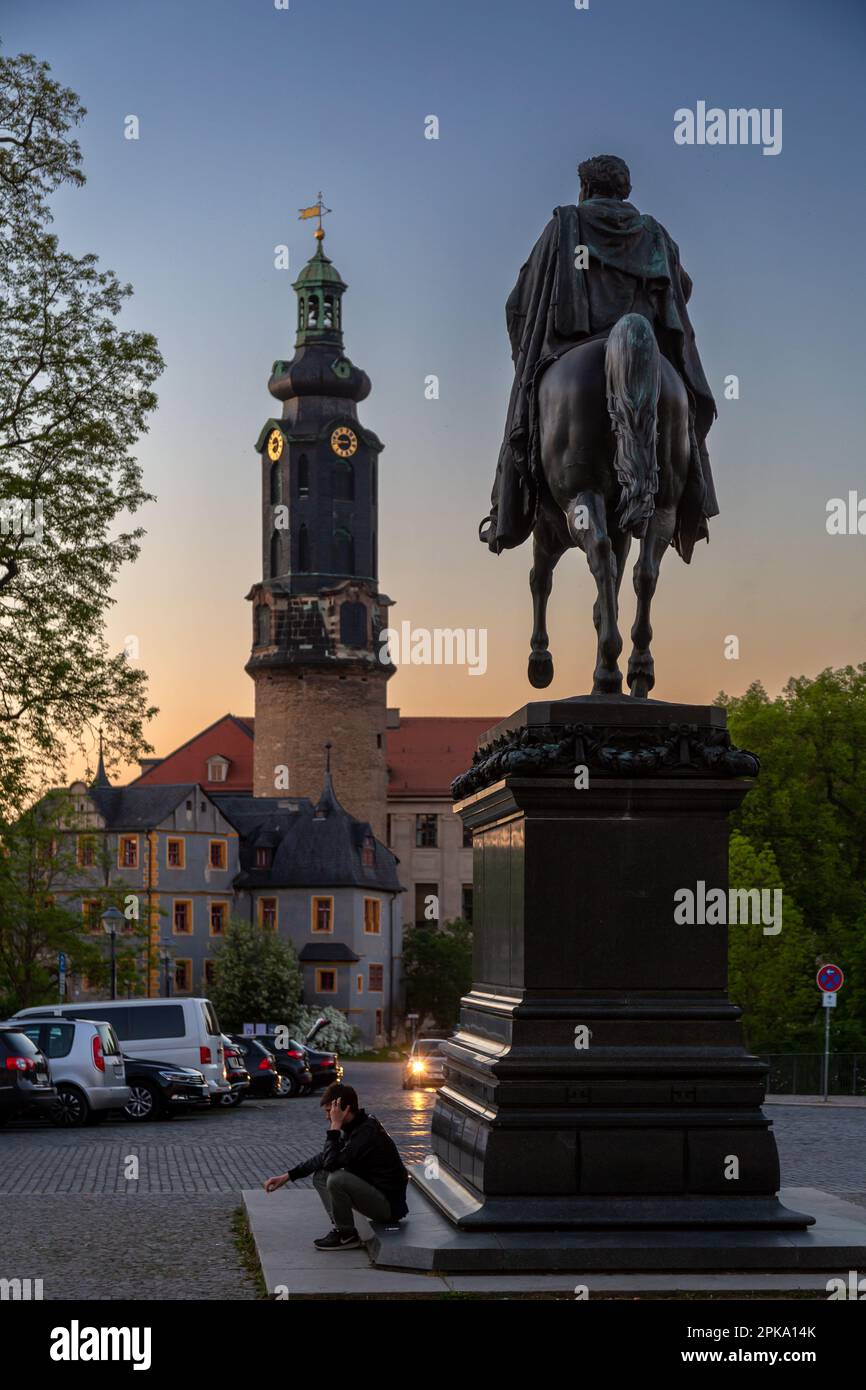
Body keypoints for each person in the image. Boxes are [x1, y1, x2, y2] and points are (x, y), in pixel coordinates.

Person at [480, 153, 718, 563]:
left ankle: (508, 510)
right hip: (647, 361)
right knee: (685, 417)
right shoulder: (656, 236)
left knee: (526, 415)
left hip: (574, 346)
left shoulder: (565, 225)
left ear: (586, 188)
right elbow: (680, 293)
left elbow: (520, 301)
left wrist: (528, 355)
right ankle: (692, 501)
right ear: (625, 191)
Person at [263, 1081, 409, 1250]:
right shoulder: (355, 1126)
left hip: (388, 1208)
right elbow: (324, 1159)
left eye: (329, 1111)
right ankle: (342, 1228)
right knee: (320, 1176)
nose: (328, 1116)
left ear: (344, 1109)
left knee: (336, 1178)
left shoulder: (366, 1133)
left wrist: (334, 1127)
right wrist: (287, 1176)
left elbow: (331, 1164)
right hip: (375, 1194)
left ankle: (346, 1235)